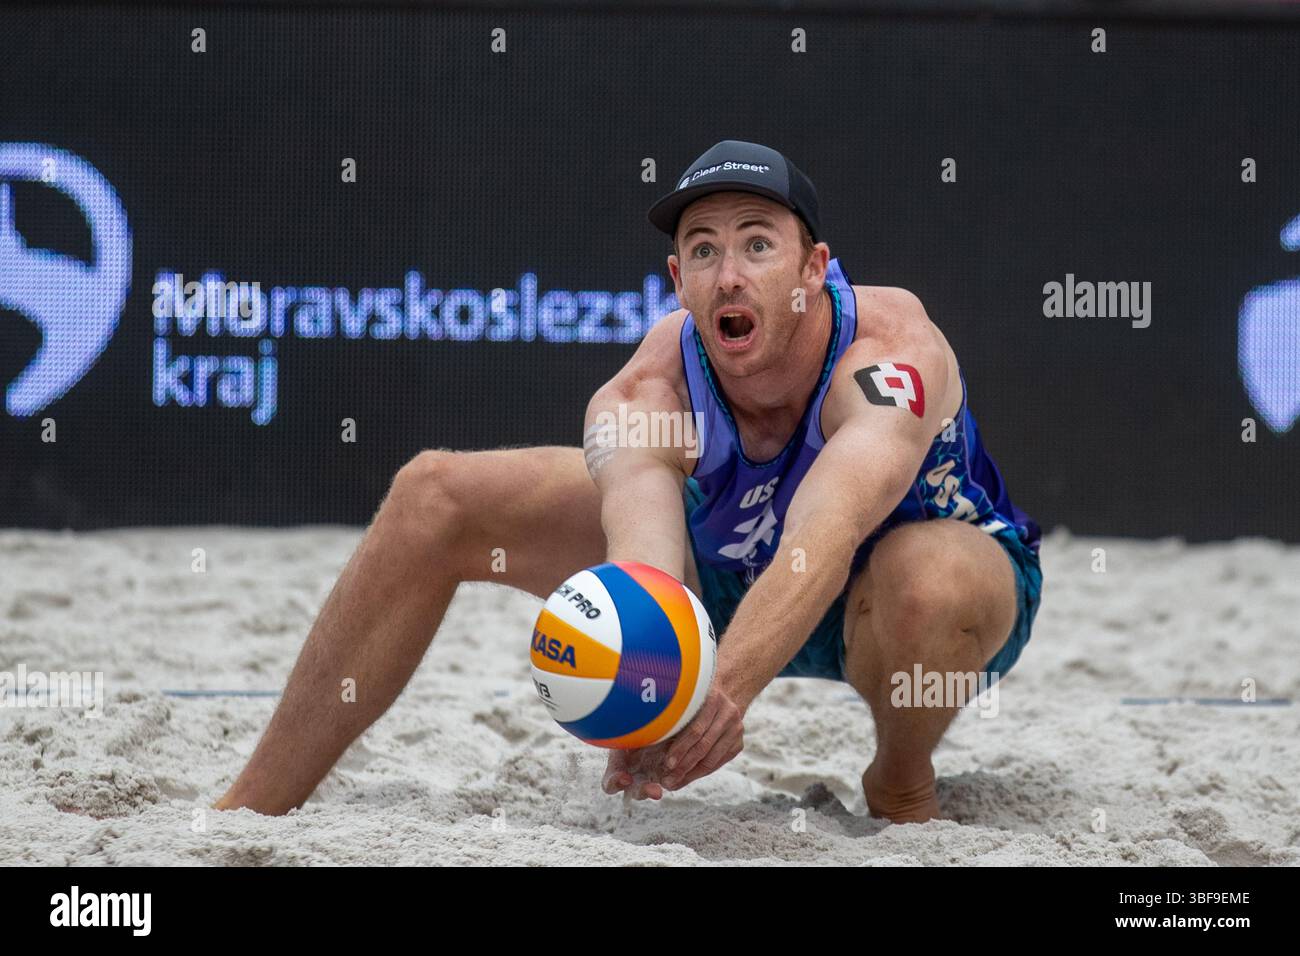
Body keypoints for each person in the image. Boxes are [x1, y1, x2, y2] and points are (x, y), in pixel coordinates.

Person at [215, 140, 1042, 824]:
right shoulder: (645, 391)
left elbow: (828, 532)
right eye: (705, 250)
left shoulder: (888, 350)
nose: (730, 274)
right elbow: (646, 558)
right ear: (677, 280)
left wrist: (722, 696)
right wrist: (650, 680)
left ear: (813, 268)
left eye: (758, 243)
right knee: (435, 494)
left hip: (890, 583)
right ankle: (247, 807)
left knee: (925, 582)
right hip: (726, 567)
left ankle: (900, 780)